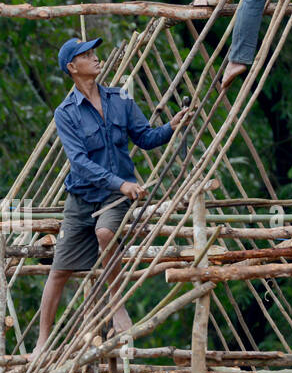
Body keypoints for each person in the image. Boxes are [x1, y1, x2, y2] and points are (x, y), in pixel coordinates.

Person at [36, 37, 191, 351]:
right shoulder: (65, 113)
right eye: (87, 55)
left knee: (106, 231)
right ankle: (41, 341)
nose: (96, 58)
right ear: (72, 67)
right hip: (82, 195)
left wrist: (171, 127)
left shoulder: (119, 97)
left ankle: (117, 304)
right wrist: (122, 183)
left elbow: (145, 137)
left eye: (94, 53)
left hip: (114, 196)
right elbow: (78, 163)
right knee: (60, 270)